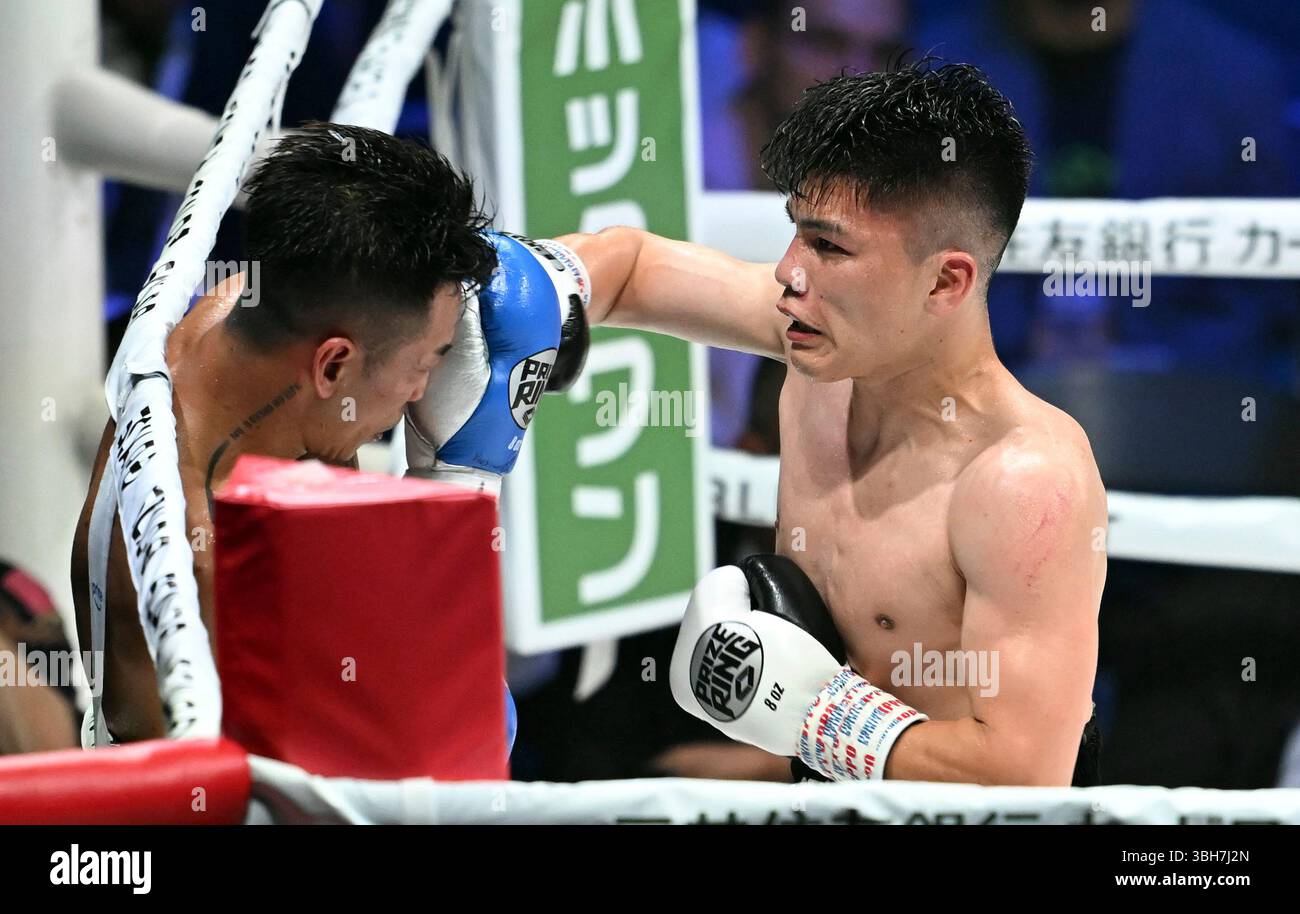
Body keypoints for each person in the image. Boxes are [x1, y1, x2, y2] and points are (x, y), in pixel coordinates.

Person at [562, 61, 1107, 785]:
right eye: (796, 234)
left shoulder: (1025, 482)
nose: (788, 272)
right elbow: (632, 269)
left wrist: (816, 716)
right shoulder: (824, 342)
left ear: (947, 280)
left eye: (830, 246)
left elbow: (1025, 772)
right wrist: (533, 282)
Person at [71, 123, 585, 744]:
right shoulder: (220, 572)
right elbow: (435, 754)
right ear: (333, 364)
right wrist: (466, 480)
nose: (423, 392)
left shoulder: (254, 318)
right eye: (426, 364)